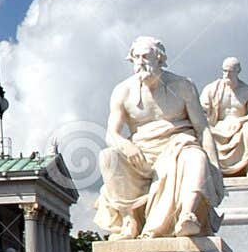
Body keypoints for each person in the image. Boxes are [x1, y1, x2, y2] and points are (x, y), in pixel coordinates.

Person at [94, 38, 224, 239]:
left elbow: (202, 129)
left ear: (160, 58)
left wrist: (214, 168)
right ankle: (130, 221)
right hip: (141, 152)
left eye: (145, 56)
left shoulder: (183, 85)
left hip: (178, 144)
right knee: (108, 156)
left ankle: (187, 215)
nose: (140, 62)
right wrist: (125, 145)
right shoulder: (123, 91)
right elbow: (112, 133)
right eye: (135, 57)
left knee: (195, 157)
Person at [200, 56, 248, 177]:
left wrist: (240, 121)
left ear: (237, 71)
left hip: (241, 126)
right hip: (218, 127)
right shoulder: (211, 89)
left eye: (230, 71)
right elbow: (201, 110)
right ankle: (213, 169)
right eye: (224, 71)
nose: (226, 75)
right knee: (202, 131)